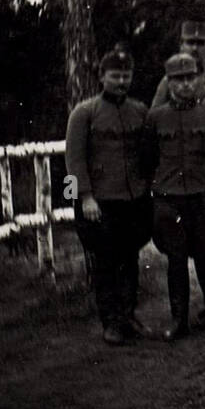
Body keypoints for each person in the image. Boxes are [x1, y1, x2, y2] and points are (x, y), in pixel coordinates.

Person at [65, 43, 152, 345]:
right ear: (102, 77)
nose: (121, 81)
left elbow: (147, 154)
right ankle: (111, 323)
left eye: (126, 76)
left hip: (134, 199)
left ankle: (128, 316)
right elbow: (74, 160)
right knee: (105, 263)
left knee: (130, 259)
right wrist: (86, 197)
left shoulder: (139, 111)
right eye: (115, 76)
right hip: (100, 203)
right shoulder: (84, 113)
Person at [144, 52, 205, 341]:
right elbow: (148, 158)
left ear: (200, 79)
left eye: (190, 78)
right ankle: (179, 321)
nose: (185, 84)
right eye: (178, 79)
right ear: (168, 82)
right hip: (169, 197)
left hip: (203, 194)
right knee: (176, 260)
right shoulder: (155, 117)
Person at [152, 19, 205, 107]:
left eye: (200, 43)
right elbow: (156, 112)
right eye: (190, 42)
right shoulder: (169, 80)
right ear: (181, 45)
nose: (195, 48)